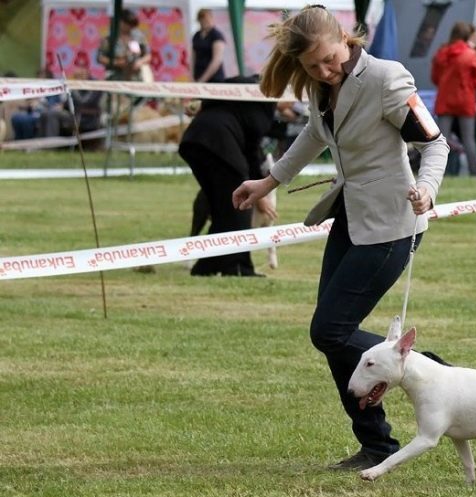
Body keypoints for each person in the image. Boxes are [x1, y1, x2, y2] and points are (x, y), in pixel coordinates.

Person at [231, 5, 448, 470]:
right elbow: (314, 133)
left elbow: (435, 143)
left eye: (330, 59)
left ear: (345, 38)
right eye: (313, 67)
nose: (325, 71)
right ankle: (377, 444)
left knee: (328, 330)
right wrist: (268, 182)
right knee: (334, 335)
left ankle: (427, 368)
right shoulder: (318, 87)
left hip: (393, 224)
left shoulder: (387, 78)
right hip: (350, 220)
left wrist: (428, 189)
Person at [179, 75, 278, 277]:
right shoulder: (265, 103)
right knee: (239, 205)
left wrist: (202, 103)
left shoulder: (248, 84)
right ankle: (237, 267)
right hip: (217, 145)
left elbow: (220, 86)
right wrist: (257, 191)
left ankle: (206, 266)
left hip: (194, 141)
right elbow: (251, 152)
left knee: (223, 210)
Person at [431, 22, 476, 176]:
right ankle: (475, 172)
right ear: (468, 35)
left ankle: (438, 173)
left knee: (441, 140)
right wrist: (467, 87)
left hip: (445, 99)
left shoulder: (441, 53)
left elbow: (435, 78)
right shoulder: (471, 54)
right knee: (468, 139)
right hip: (465, 100)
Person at [97, 9, 151, 81]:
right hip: (116, 75)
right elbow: (100, 58)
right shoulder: (110, 39)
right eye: (127, 24)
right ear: (120, 22)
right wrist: (116, 62)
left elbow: (148, 55)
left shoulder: (138, 36)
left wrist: (140, 62)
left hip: (136, 76)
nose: (129, 27)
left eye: (132, 25)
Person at [192, 9, 227, 83]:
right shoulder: (196, 35)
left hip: (214, 78)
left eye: (207, 19)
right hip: (198, 75)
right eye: (202, 19)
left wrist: (203, 79)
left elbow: (217, 60)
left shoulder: (216, 35)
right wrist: (192, 75)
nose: (205, 22)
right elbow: (193, 57)